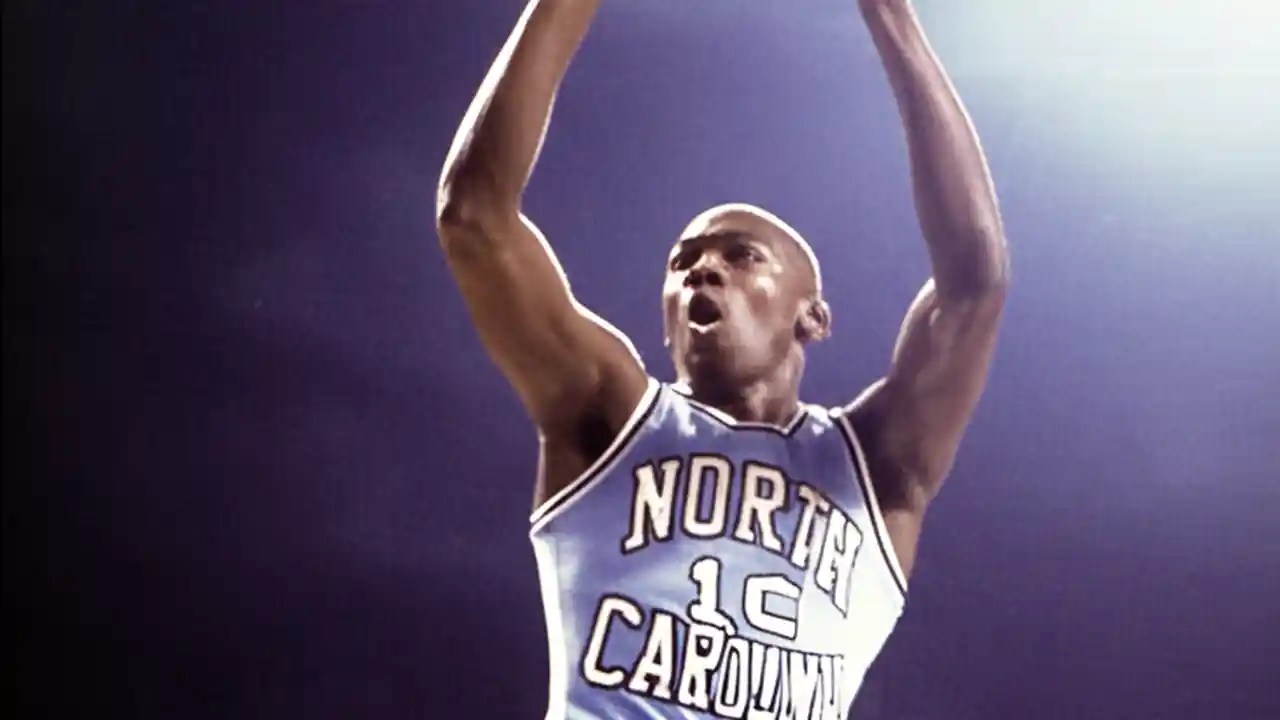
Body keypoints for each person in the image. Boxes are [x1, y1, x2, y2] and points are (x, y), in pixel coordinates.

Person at [436, 0, 1008, 716]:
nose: (702, 272)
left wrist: (888, 14)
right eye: (683, 263)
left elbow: (975, 282)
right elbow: (474, 218)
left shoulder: (875, 464)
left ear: (813, 317)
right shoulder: (610, 415)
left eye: (742, 257)